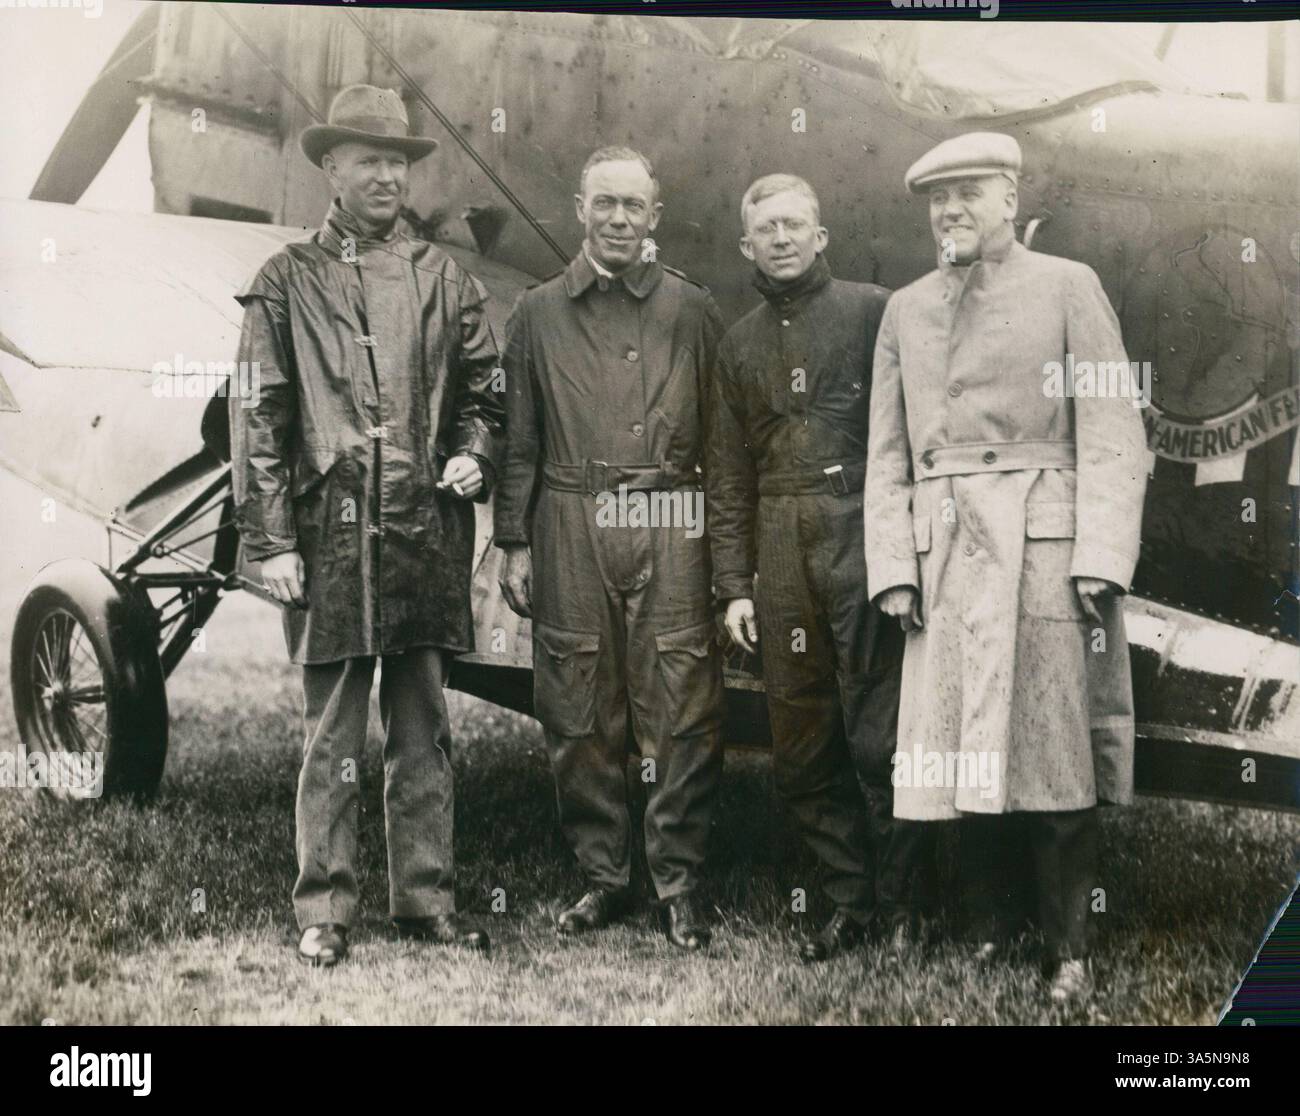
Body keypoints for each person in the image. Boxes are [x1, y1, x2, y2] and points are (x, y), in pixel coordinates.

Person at [864, 132, 1148, 1002]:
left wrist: (1099, 551)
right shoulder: (905, 309)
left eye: (969, 193)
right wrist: (894, 567)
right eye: (937, 198)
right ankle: (989, 926)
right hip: (944, 546)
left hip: (1044, 546)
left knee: (1050, 743)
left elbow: (1111, 430)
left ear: (1010, 198)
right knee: (957, 745)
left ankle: (1068, 946)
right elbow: (887, 454)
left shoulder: (1068, 286)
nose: (950, 210)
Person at [230, 84, 505, 966]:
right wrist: (269, 539)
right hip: (328, 541)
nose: (386, 176)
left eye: (397, 162)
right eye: (367, 160)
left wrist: (476, 452)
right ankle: (326, 908)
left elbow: (488, 394)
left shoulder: (444, 279)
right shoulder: (285, 282)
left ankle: (426, 900)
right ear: (331, 167)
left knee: (424, 726)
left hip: (425, 535)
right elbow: (258, 416)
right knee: (334, 734)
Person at [494, 146, 725, 951]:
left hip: (671, 515)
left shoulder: (692, 310)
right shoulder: (537, 311)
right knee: (576, 702)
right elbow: (518, 438)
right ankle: (603, 877)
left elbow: (721, 442)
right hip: (568, 513)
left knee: (681, 702)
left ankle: (680, 883)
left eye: (634, 205)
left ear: (654, 216)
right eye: (605, 204)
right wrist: (512, 541)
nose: (619, 219)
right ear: (580, 211)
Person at [707, 174, 931, 964]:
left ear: (822, 235)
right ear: (747, 244)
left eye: (796, 223)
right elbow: (729, 473)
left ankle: (904, 908)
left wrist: (909, 550)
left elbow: (914, 436)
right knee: (799, 734)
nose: (781, 238)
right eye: (765, 227)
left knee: (881, 732)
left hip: (863, 529)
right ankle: (849, 899)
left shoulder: (877, 312)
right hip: (779, 543)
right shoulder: (736, 344)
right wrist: (734, 583)